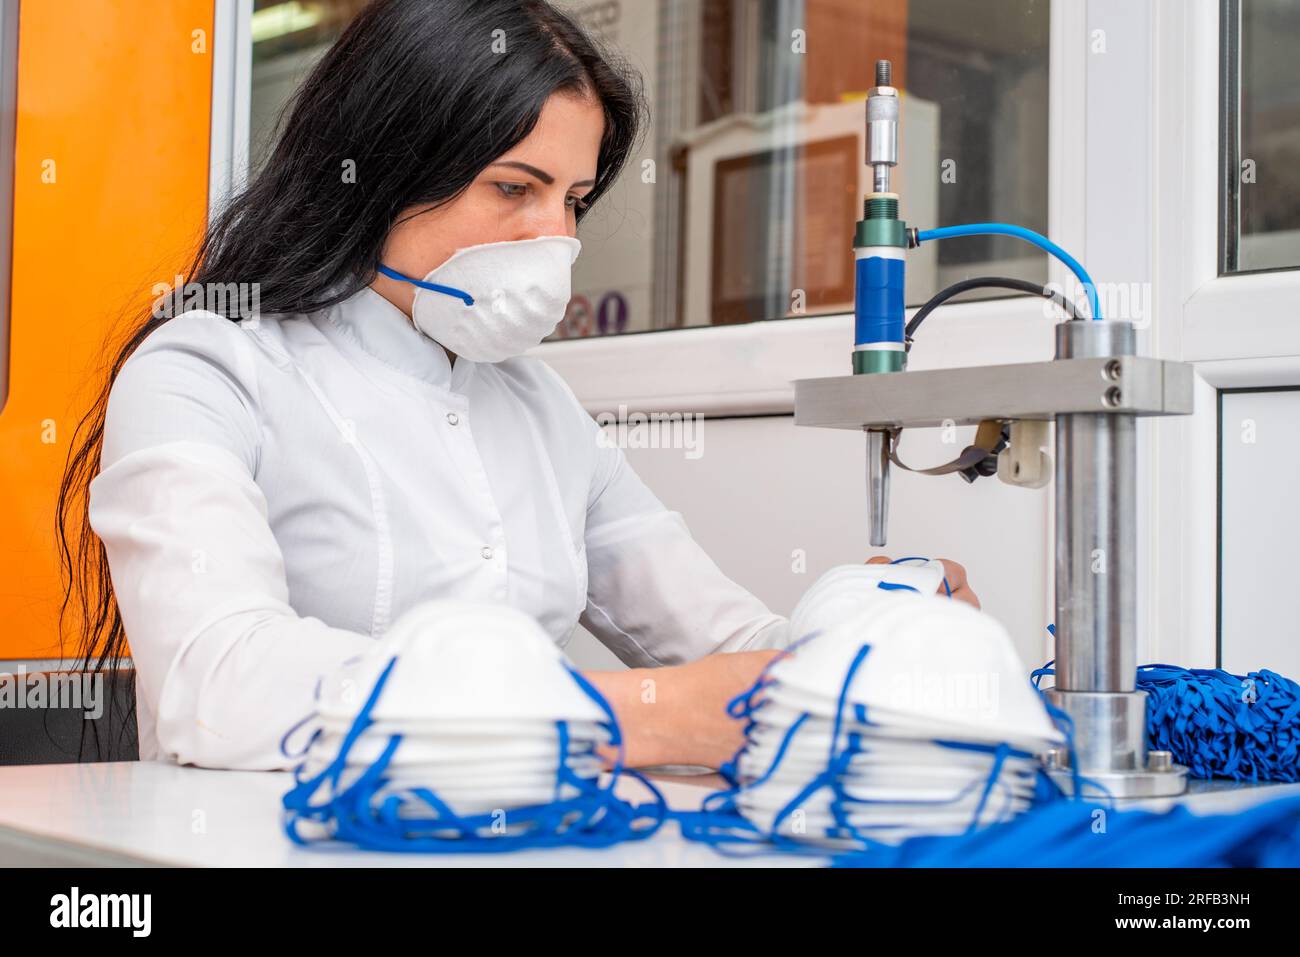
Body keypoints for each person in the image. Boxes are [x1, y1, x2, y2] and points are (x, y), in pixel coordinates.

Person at [57, 0, 977, 772]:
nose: (554, 241)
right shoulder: (208, 368)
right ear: (383, 166)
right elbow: (218, 684)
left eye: (572, 201)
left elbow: (724, 644)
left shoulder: (540, 411)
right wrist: (628, 718)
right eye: (514, 188)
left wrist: (875, 628)